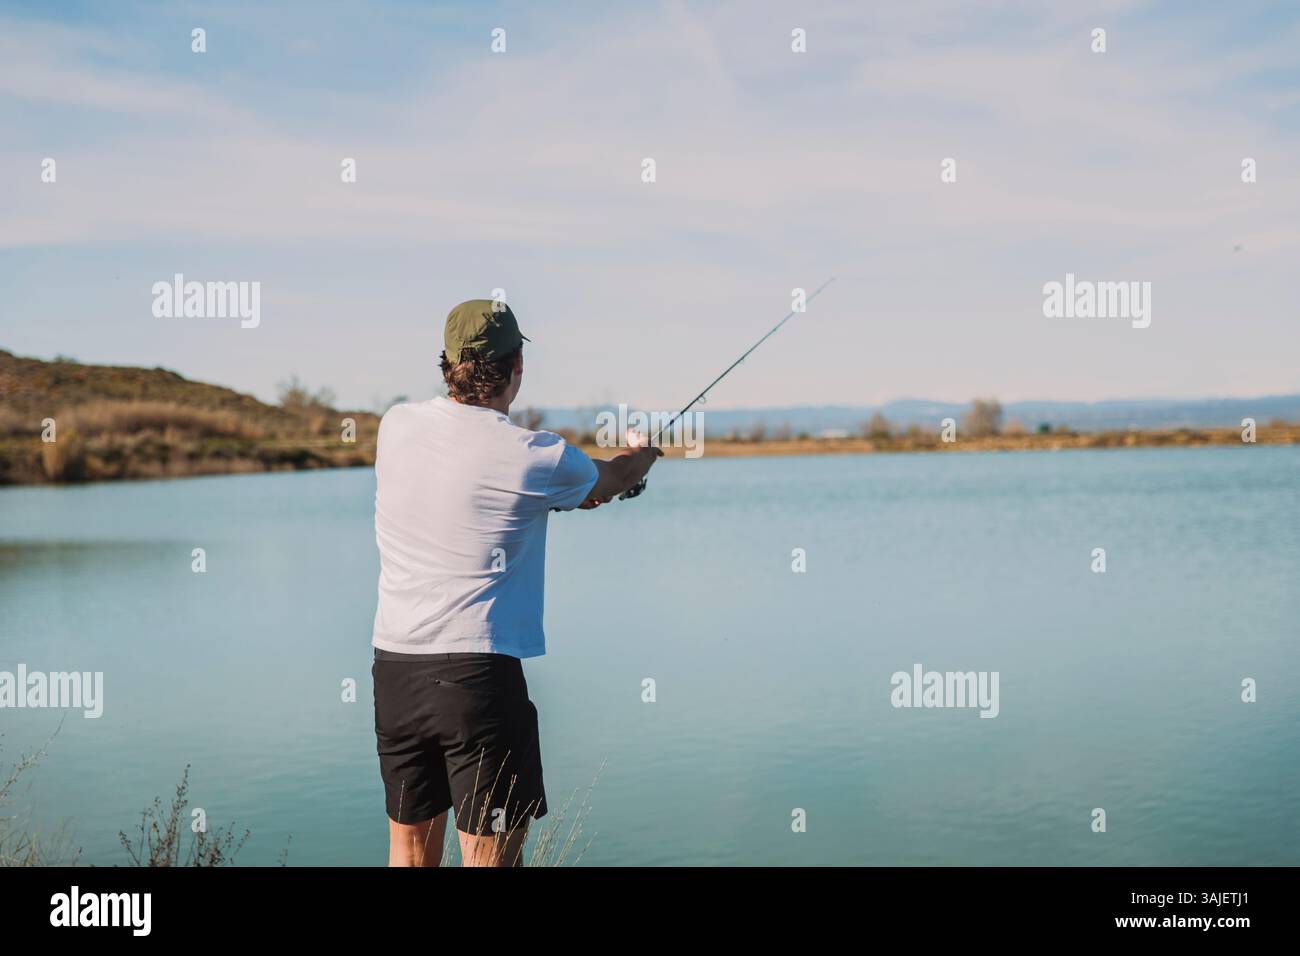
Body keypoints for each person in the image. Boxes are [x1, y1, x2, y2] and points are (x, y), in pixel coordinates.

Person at [370, 299, 662, 866]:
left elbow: (463, 491)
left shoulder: (395, 426)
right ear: (517, 366)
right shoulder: (538, 457)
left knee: (407, 855)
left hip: (396, 672)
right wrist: (644, 454)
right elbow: (612, 477)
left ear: (447, 363)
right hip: (476, 681)